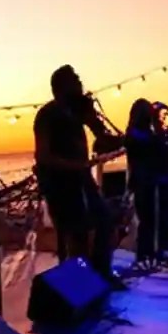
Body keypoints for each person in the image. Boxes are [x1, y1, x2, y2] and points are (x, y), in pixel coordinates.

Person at [33, 66, 124, 286]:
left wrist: (96, 122)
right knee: (74, 235)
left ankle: (101, 275)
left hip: (81, 179)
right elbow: (43, 156)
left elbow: (102, 139)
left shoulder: (77, 111)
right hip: (59, 184)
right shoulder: (47, 115)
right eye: (75, 80)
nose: (80, 83)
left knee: (104, 220)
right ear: (61, 87)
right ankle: (78, 286)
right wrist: (73, 165)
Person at [123, 99, 168, 268]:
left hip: (156, 180)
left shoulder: (149, 133)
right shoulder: (134, 134)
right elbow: (150, 147)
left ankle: (160, 252)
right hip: (143, 182)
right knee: (147, 220)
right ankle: (145, 255)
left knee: (161, 218)